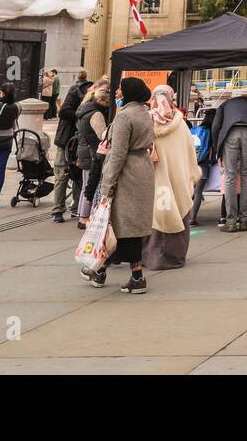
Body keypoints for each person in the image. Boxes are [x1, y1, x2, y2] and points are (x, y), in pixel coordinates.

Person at [82, 77, 156, 293]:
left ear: (129, 93)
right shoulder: (144, 113)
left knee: (123, 226)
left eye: (121, 90)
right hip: (143, 169)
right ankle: (101, 270)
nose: (117, 92)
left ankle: (136, 276)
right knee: (127, 225)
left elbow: (117, 154)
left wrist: (107, 186)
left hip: (127, 173)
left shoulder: (124, 117)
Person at [142, 84, 201, 270]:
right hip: (178, 180)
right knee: (177, 212)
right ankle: (173, 257)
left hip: (153, 181)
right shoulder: (180, 124)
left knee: (153, 217)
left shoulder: (147, 122)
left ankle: (150, 257)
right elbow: (190, 152)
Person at [211, 91, 247, 232]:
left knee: (230, 177)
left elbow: (215, 128)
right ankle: (244, 220)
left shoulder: (224, 105)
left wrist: (217, 149)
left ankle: (231, 221)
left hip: (230, 134)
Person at [51, 70, 91, 224]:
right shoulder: (75, 93)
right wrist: (82, 114)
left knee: (79, 175)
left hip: (81, 141)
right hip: (66, 140)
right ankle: (58, 210)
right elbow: (63, 112)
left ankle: (76, 209)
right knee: (62, 174)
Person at [76, 88, 112, 228]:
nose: (109, 105)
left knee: (86, 184)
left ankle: (81, 215)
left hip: (84, 150)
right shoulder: (96, 114)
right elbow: (102, 135)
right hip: (92, 153)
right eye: (107, 102)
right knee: (90, 185)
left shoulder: (84, 110)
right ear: (100, 100)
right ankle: (84, 217)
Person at [190, 107, 216, 226]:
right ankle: (192, 218)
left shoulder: (195, 130)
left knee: (189, 191)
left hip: (190, 164)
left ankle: (185, 218)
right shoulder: (212, 132)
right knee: (198, 191)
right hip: (203, 165)